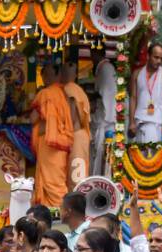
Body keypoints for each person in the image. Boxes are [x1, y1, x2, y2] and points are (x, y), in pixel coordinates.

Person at [27, 65, 73, 207]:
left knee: (52, 182)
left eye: (47, 75)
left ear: (57, 74)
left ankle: (59, 210)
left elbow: (33, 118)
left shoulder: (45, 93)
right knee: (57, 180)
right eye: (44, 75)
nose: (46, 78)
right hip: (62, 142)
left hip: (50, 143)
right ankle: (56, 212)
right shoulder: (64, 92)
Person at [130, 42, 162, 144]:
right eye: (156, 57)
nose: (159, 61)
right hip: (138, 121)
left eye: (161, 59)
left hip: (156, 123)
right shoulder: (137, 73)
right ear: (148, 56)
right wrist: (131, 122)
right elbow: (133, 98)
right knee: (136, 157)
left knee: (151, 158)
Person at [60, 60, 92, 189]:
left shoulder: (68, 89)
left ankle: (76, 204)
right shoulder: (80, 90)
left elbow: (72, 114)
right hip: (83, 135)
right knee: (81, 172)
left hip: (76, 135)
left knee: (76, 177)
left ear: (63, 74)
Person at [89, 46, 118, 178]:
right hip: (103, 115)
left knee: (102, 151)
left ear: (95, 53)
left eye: (92, 54)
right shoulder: (103, 67)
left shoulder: (105, 68)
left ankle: (101, 178)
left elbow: (103, 93)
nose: (91, 58)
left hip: (105, 117)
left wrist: (89, 96)